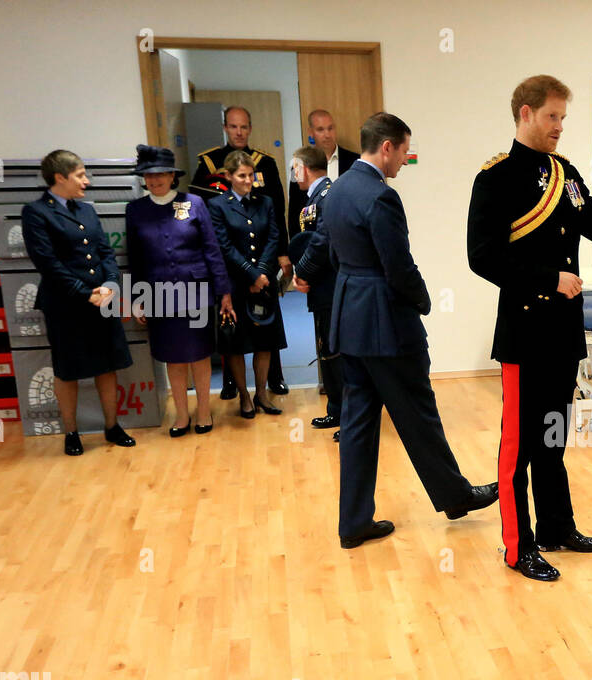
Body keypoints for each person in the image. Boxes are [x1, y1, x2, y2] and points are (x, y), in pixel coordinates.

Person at [467, 74, 592, 582]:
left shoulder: (565, 173)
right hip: (525, 330)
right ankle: (518, 547)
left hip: (561, 332)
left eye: (563, 118)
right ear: (526, 114)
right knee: (519, 444)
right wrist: (549, 278)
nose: (559, 127)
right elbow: (482, 257)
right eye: (552, 116)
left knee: (553, 438)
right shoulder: (495, 178)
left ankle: (558, 527)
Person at [308, 111, 497, 549]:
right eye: (404, 151)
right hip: (387, 325)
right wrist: (423, 299)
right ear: (387, 146)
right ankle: (456, 496)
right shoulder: (380, 197)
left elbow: (334, 257)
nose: (404, 161)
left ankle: (354, 522)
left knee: (357, 423)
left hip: (350, 321)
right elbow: (398, 266)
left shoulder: (335, 193)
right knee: (418, 414)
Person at [20, 149, 137, 456]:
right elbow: (47, 262)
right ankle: (71, 432)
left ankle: (112, 426)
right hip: (66, 305)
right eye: (81, 175)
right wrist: (86, 294)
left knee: (108, 366)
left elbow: (104, 252)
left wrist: (111, 284)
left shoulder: (86, 209)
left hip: (103, 298)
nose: (87, 180)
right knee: (68, 371)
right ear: (60, 177)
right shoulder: (36, 212)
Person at [125, 144, 234, 436]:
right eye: (148, 175)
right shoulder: (135, 210)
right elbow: (134, 258)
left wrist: (224, 292)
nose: (154, 180)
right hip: (158, 294)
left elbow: (212, 250)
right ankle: (182, 416)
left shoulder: (195, 203)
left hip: (196, 291)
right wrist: (138, 299)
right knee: (173, 357)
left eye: (161, 174)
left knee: (199, 355)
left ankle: (203, 412)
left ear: (173, 175)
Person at [193, 105, 291, 395]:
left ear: (250, 129)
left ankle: (274, 378)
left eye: (244, 127)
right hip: (230, 262)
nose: (239, 132)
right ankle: (231, 382)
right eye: (233, 126)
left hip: (263, 256)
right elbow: (201, 213)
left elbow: (278, 209)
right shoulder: (208, 162)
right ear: (225, 127)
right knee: (232, 327)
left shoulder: (266, 163)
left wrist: (281, 253)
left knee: (267, 323)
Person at [206, 150, 285, 419]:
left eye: (251, 175)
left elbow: (274, 237)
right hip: (236, 284)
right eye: (242, 176)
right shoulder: (217, 206)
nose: (248, 181)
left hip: (263, 282)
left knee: (265, 342)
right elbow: (223, 246)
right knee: (238, 345)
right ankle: (244, 395)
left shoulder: (266, 202)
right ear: (228, 177)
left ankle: (262, 392)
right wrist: (251, 275)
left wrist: (262, 273)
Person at [288, 146, 342, 439]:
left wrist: (302, 272)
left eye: (294, 168)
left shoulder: (328, 195)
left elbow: (323, 244)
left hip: (333, 285)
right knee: (327, 350)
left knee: (339, 354)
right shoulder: (313, 197)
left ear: (305, 168)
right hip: (320, 287)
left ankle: (349, 418)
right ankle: (336, 408)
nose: (293, 174)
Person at [288, 110, 359, 241]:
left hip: (347, 237)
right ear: (310, 132)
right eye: (320, 129)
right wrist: (296, 245)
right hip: (313, 239)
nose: (327, 134)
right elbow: (294, 207)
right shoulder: (298, 164)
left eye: (330, 128)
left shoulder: (355, 161)